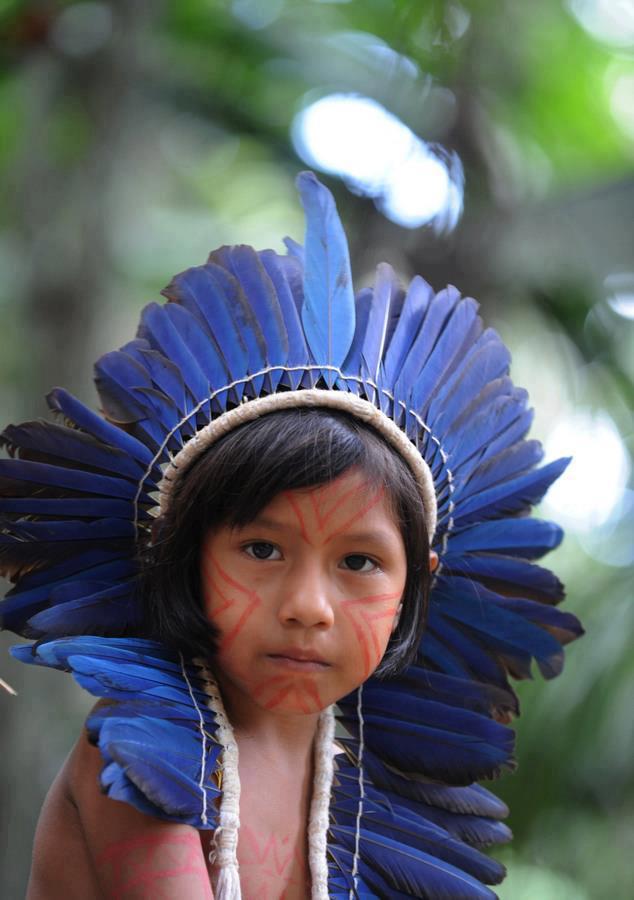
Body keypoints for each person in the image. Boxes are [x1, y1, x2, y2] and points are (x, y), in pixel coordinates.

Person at [0, 172, 582, 899]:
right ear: (182, 555)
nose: (308, 605)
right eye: (263, 550)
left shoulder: (370, 789)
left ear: (417, 584)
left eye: (359, 561)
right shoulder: (144, 753)